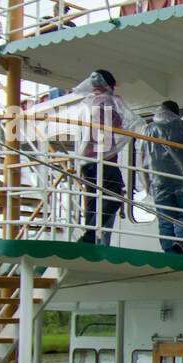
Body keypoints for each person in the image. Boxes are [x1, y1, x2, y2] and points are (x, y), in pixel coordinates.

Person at [72, 69, 143, 245]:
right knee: (114, 197)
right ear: (110, 85)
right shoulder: (107, 102)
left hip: (86, 159)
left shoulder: (86, 103)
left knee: (93, 199)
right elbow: (117, 125)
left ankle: (90, 236)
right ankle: (90, 235)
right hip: (102, 158)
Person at [141, 100, 183, 254]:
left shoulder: (149, 129)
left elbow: (144, 158)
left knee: (165, 218)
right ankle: (180, 243)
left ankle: (168, 249)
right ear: (177, 113)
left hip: (159, 180)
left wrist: (146, 181)